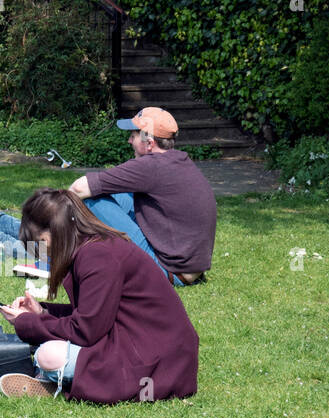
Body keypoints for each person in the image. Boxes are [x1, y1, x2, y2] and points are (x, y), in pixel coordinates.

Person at [0, 188, 200, 402]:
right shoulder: (95, 246)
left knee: (48, 354)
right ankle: (55, 378)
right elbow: (95, 312)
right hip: (151, 350)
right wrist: (43, 311)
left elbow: (85, 331)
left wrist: (26, 323)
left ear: (56, 232)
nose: (42, 252)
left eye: (40, 242)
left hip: (155, 364)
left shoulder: (97, 256)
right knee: (47, 348)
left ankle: (53, 378)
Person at [67, 107, 217, 285]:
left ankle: (47, 250)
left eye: (134, 135)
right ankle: (50, 244)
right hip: (188, 268)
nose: (129, 140)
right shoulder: (179, 160)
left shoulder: (150, 166)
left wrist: (55, 217)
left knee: (91, 201)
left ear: (149, 141)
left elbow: (77, 189)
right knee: (118, 193)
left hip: (169, 271)